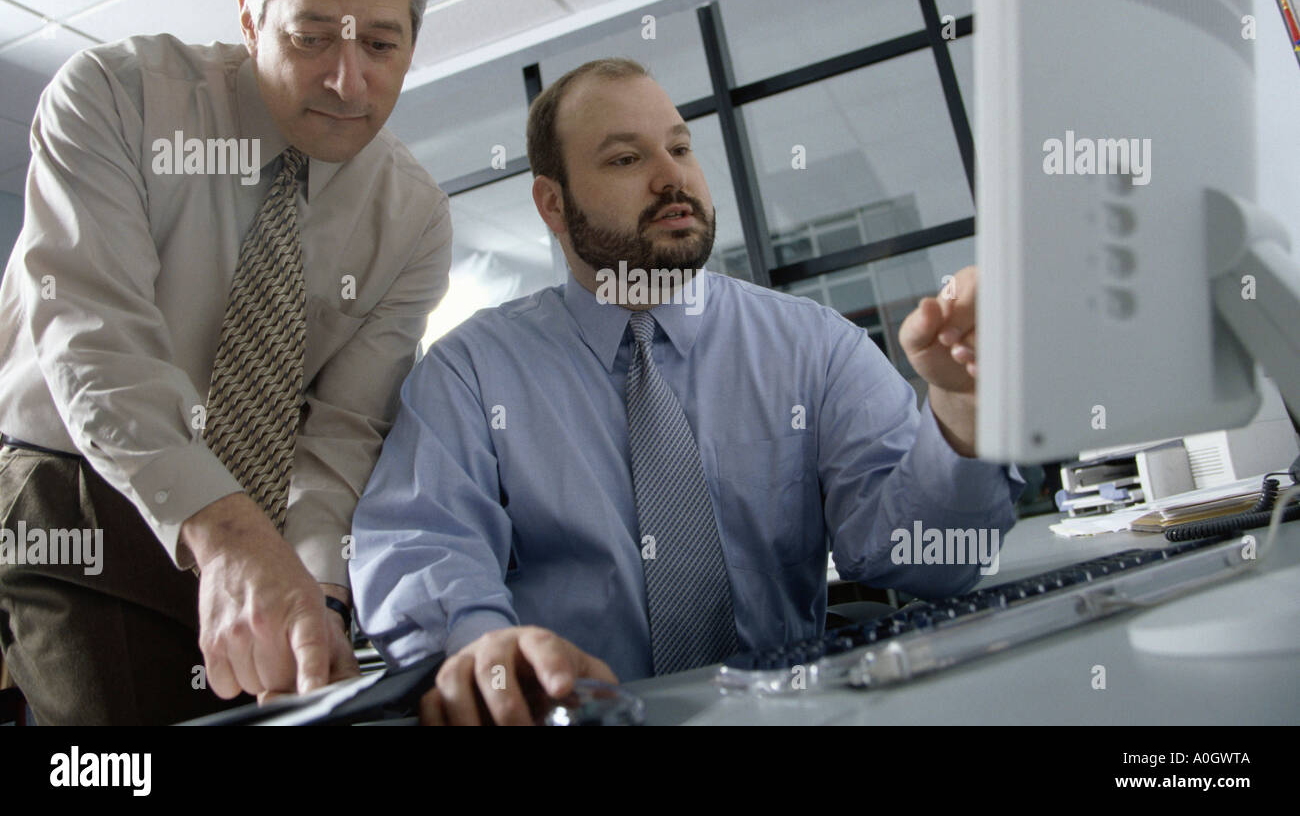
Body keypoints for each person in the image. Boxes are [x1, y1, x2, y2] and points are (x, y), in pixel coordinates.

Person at [350, 58, 1021, 726]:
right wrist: (480, 648)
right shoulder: (471, 370)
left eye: (679, 147)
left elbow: (924, 563)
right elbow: (421, 540)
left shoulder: (815, 346)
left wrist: (960, 412)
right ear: (553, 204)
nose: (672, 177)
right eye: (624, 159)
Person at [0, 0, 452, 725]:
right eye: (312, 37)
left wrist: (318, 587)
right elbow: (97, 345)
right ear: (249, 20)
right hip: (74, 490)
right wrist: (228, 537)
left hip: (262, 518)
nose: (347, 82)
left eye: (380, 46)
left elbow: (345, 431)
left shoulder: (415, 218)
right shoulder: (114, 99)